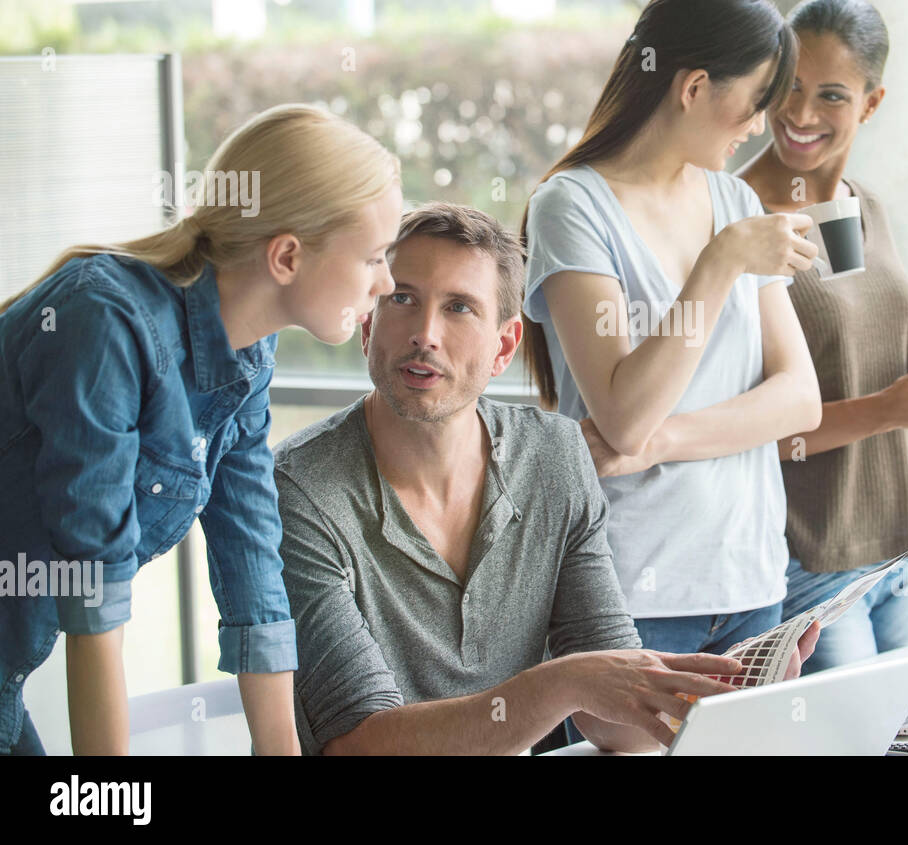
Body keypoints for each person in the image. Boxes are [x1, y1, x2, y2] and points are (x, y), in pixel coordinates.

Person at [273, 203, 816, 755]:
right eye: (403, 299)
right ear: (368, 322)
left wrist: (732, 688)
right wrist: (563, 683)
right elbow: (358, 747)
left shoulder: (555, 457)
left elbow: (618, 728)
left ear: (503, 348)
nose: (425, 334)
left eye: (460, 308)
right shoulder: (302, 488)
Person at [0, 103, 402, 755]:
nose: (387, 281)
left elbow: (251, 564)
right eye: (375, 258)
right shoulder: (102, 323)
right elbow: (94, 593)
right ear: (288, 256)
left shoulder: (248, 355)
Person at [520, 0, 823, 661]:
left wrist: (664, 443)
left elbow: (799, 398)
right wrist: (718, 264)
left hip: (749, 579)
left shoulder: (737, 205)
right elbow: (625, 413)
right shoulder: (571, 207)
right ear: (693, 88)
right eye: (752, 105)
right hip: (630, 593)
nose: (757, 128)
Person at [737, 0, 908, 673]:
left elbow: (848, 339)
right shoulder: (740, 221)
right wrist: (894, 407)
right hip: (815, 556)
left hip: (905, 545)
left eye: (830, 94)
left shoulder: (862, 208)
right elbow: (753, 430)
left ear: (871, 103)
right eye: (789, 88)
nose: (800, 115)